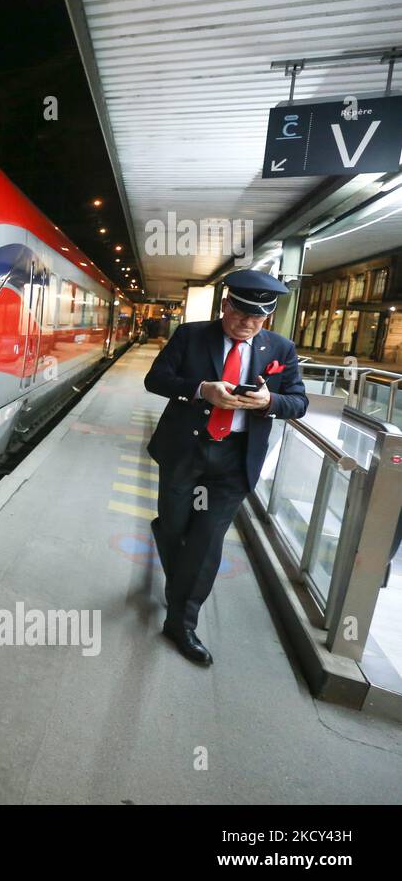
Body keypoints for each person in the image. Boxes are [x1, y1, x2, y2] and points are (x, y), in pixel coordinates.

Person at [144, 270, 308, 665]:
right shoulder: (190, 335)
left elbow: (298, 403)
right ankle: (172, 552)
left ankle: (181, 622)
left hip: (235, 460)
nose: (248, 325)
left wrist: (269, 403)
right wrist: (202, 390)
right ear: (226, 305)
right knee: (174, 527)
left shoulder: (280, 350)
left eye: (258, 319)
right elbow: (156, 379)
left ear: (267, 318)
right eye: (241, 315)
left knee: (206, 541)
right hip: (187, 452)